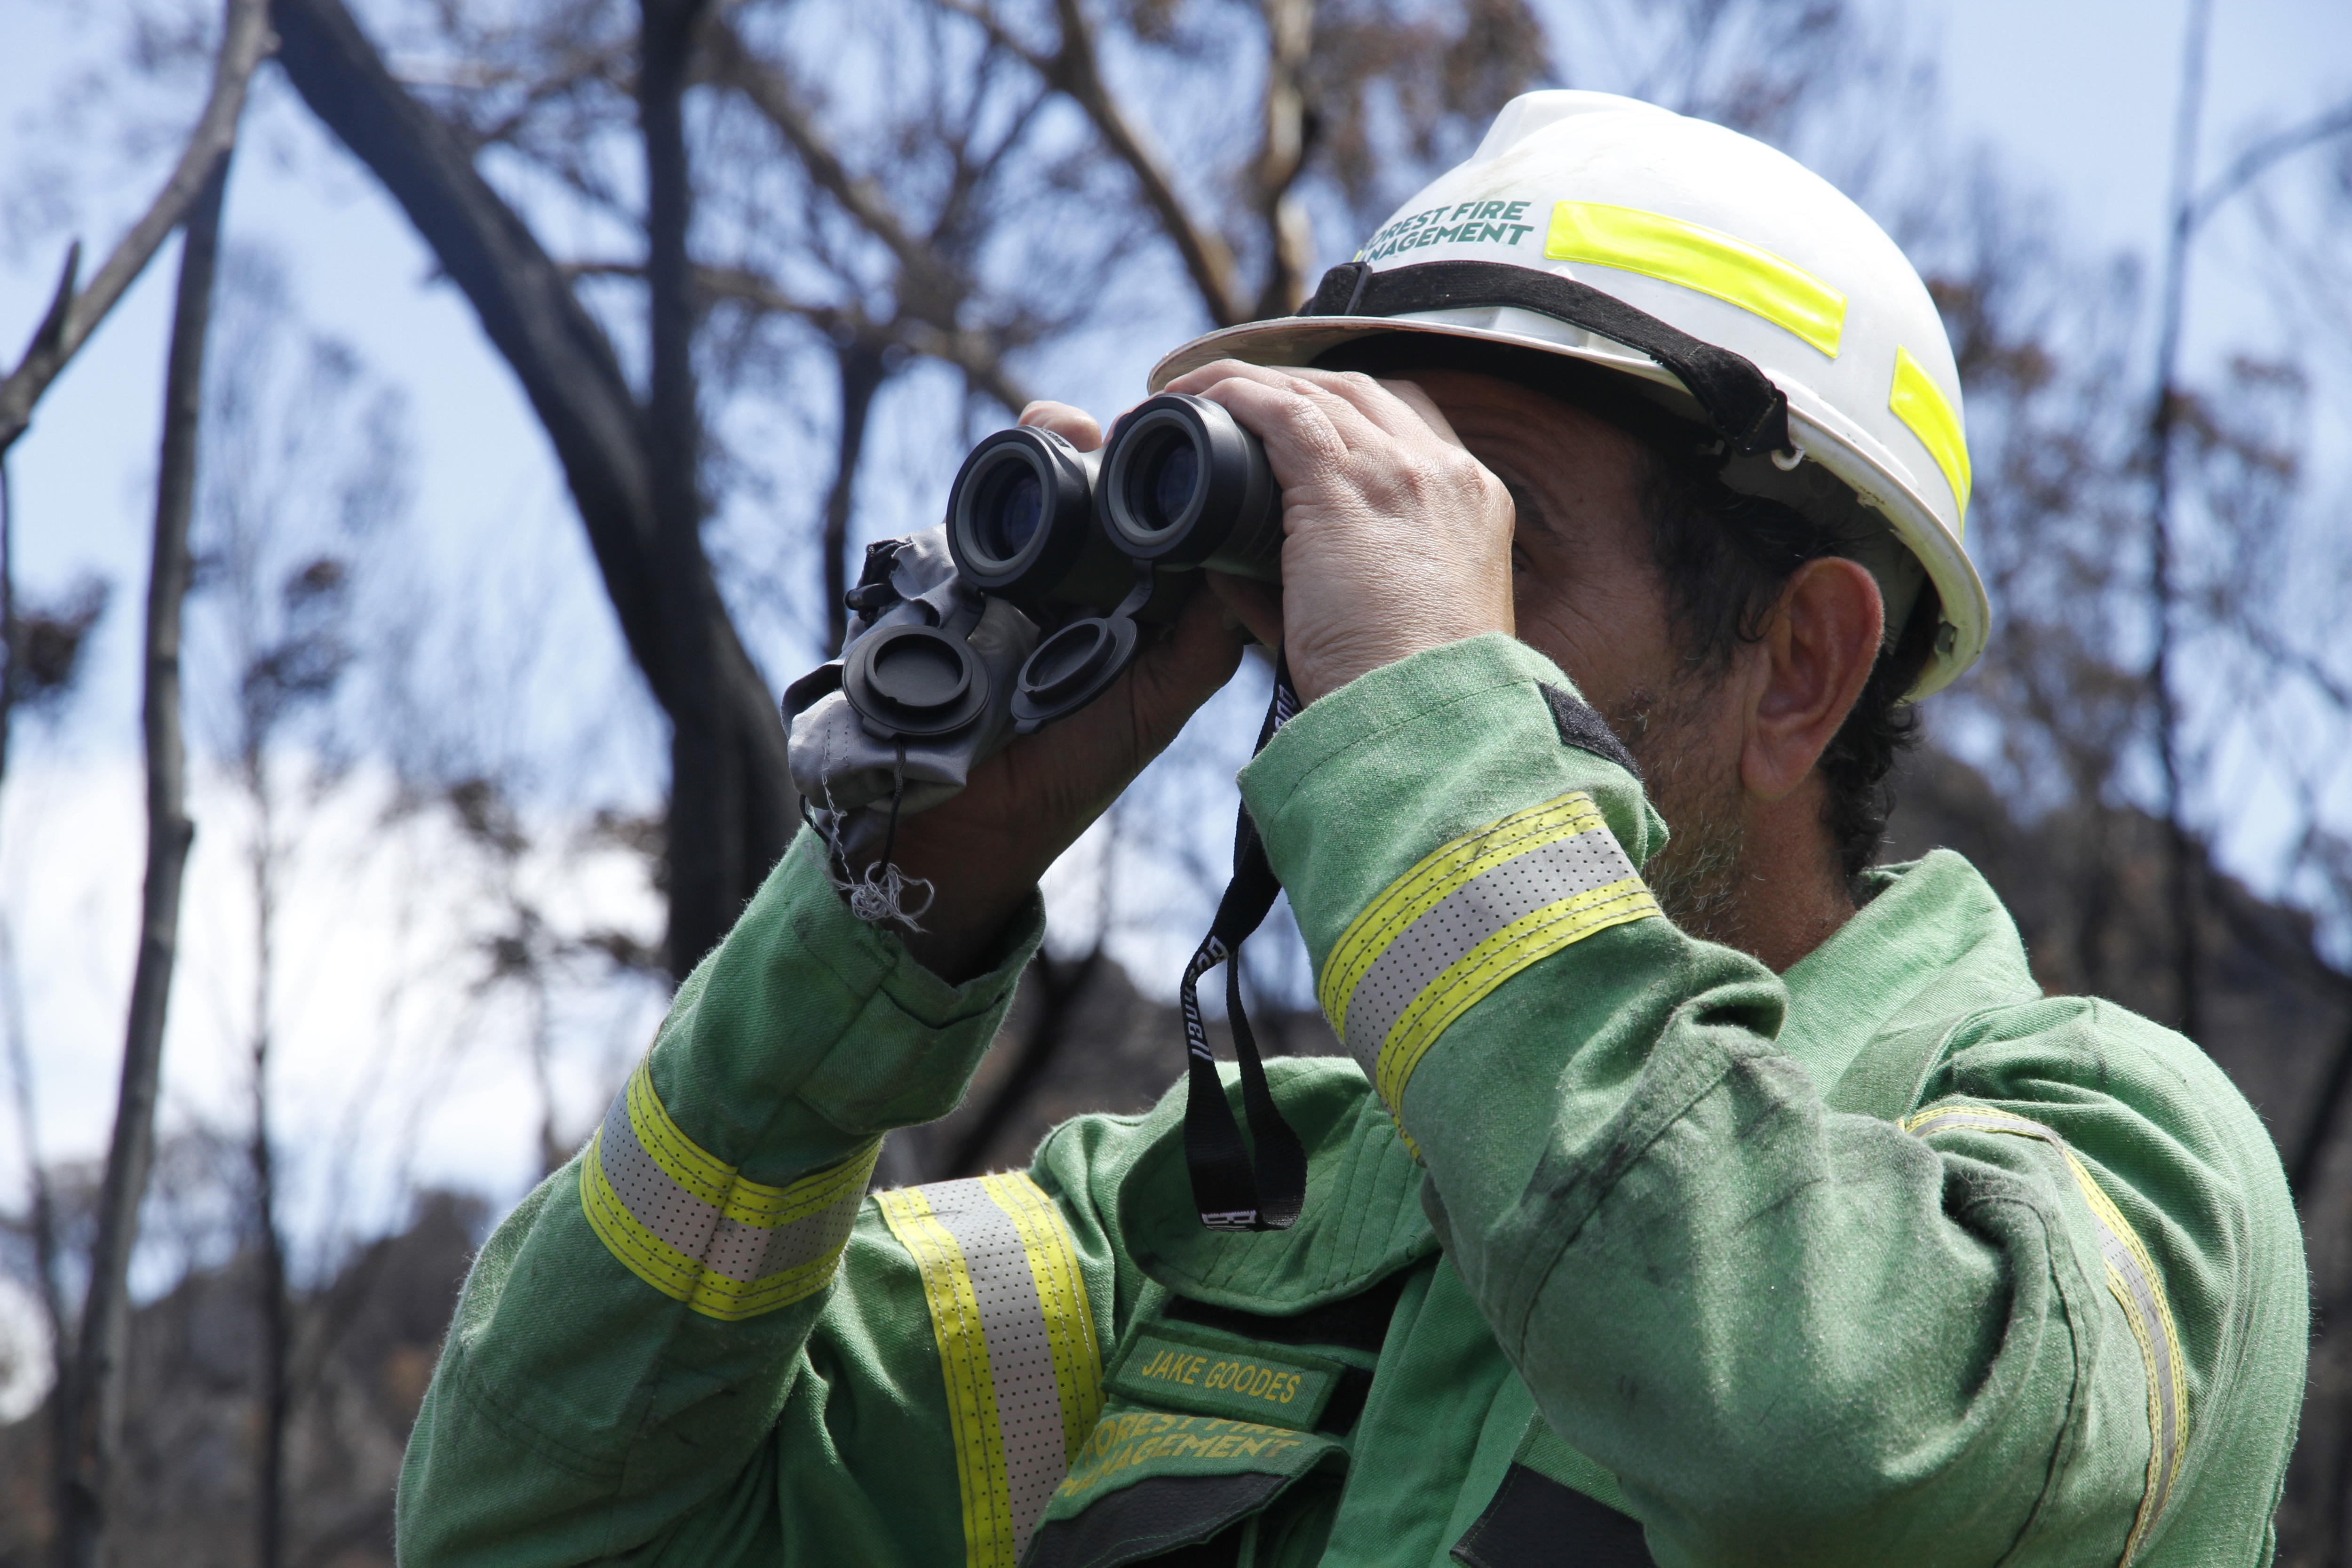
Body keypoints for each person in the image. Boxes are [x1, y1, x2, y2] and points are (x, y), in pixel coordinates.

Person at [395, 92, 2306, 1567]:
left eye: (1484, 548)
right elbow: (539, 1522)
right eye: (1343, 553)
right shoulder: (1195, 1236)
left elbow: (1819, 1431)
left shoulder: (2096, 1165)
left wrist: (1431, 727)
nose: (1345, 650)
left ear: (1798, 665)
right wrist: (881, 921)